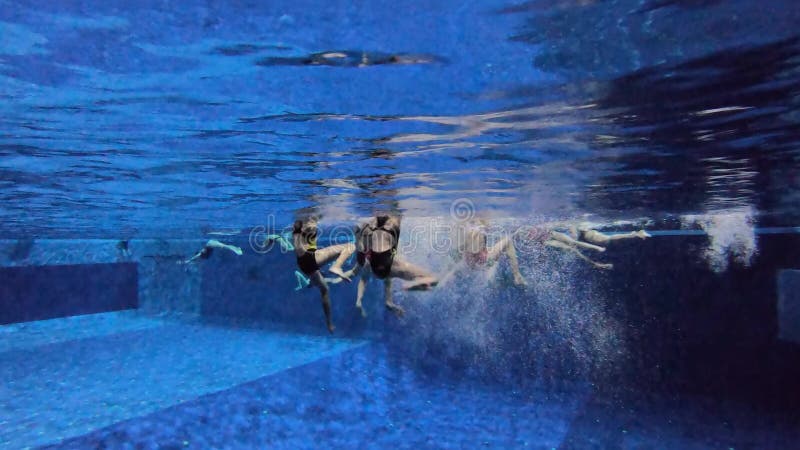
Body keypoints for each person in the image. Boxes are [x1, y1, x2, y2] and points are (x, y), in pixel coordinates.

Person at [353, 215, 438, 318]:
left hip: (376, 268)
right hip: (388, 264)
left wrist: (359, 300)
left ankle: (388, 301)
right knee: (434, 278)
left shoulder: (367, 228)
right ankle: (411, 285)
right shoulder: (392, 222)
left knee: (380, 273)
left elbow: (363, 275)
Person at [289, 218, 356, 333]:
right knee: (350, 246)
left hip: (305, 265)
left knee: (325, 288)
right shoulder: (305, 225)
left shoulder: (301, 228)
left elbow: (298, 245)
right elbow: (298, 243)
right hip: (309, 258)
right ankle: (336, 267)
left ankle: (329, 324)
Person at [519, 221, 650, 270]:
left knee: (601, 240)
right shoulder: (544, 237)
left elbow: (574, 241)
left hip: (566, 231)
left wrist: (596, 247)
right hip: (546, 237)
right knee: (571, 247)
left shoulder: (575, 227)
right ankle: (595, 263)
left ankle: (634, 234)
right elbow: (573, 243)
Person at [440, 218, 527, 287]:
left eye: (477, 254)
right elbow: (447, 273)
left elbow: (507, 241)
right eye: (472, 256)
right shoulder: (461, 258)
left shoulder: (489, 257)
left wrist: (516, 273)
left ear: (485, 251)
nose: (475, 259)